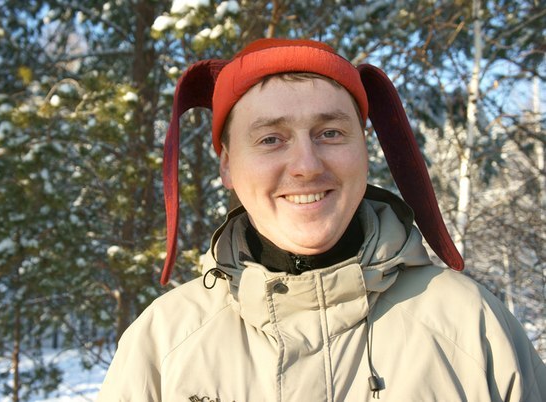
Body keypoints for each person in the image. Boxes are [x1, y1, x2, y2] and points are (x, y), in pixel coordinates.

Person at [97, 38, 545, 401]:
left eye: (330, 133)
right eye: (271, 139)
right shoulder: (163, 344)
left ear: (364, 151)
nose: (307, 166)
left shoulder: (471, 326)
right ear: (227, 166)